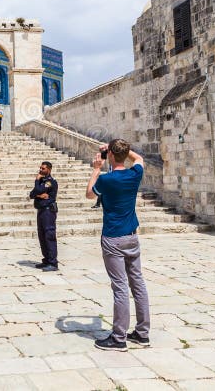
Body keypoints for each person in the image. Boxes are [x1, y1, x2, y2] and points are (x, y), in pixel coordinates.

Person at [86, 139, 150, 351]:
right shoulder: (135, 174)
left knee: (120, 287)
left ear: (110, 155)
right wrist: (121, 150)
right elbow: (139, 158)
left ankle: (119, 337)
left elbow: (89, 194)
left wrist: (96, 169)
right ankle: (142, 333)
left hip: (113, 237)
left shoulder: (107, 179)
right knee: (138, 283)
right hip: (132, 236)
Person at [29, 161, 59, 272]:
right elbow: (32, 194)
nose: (40, 170)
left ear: (49, 170)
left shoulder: (50, 182)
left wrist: (37, 181)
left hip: (48, 212)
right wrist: (38, 194)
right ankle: (46, 260)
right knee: (42, 236)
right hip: (41, 211)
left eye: (43, 169)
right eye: (40, 168)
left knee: (49, 235)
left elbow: (37, 190)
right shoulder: (42, 182)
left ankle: (53, 262)